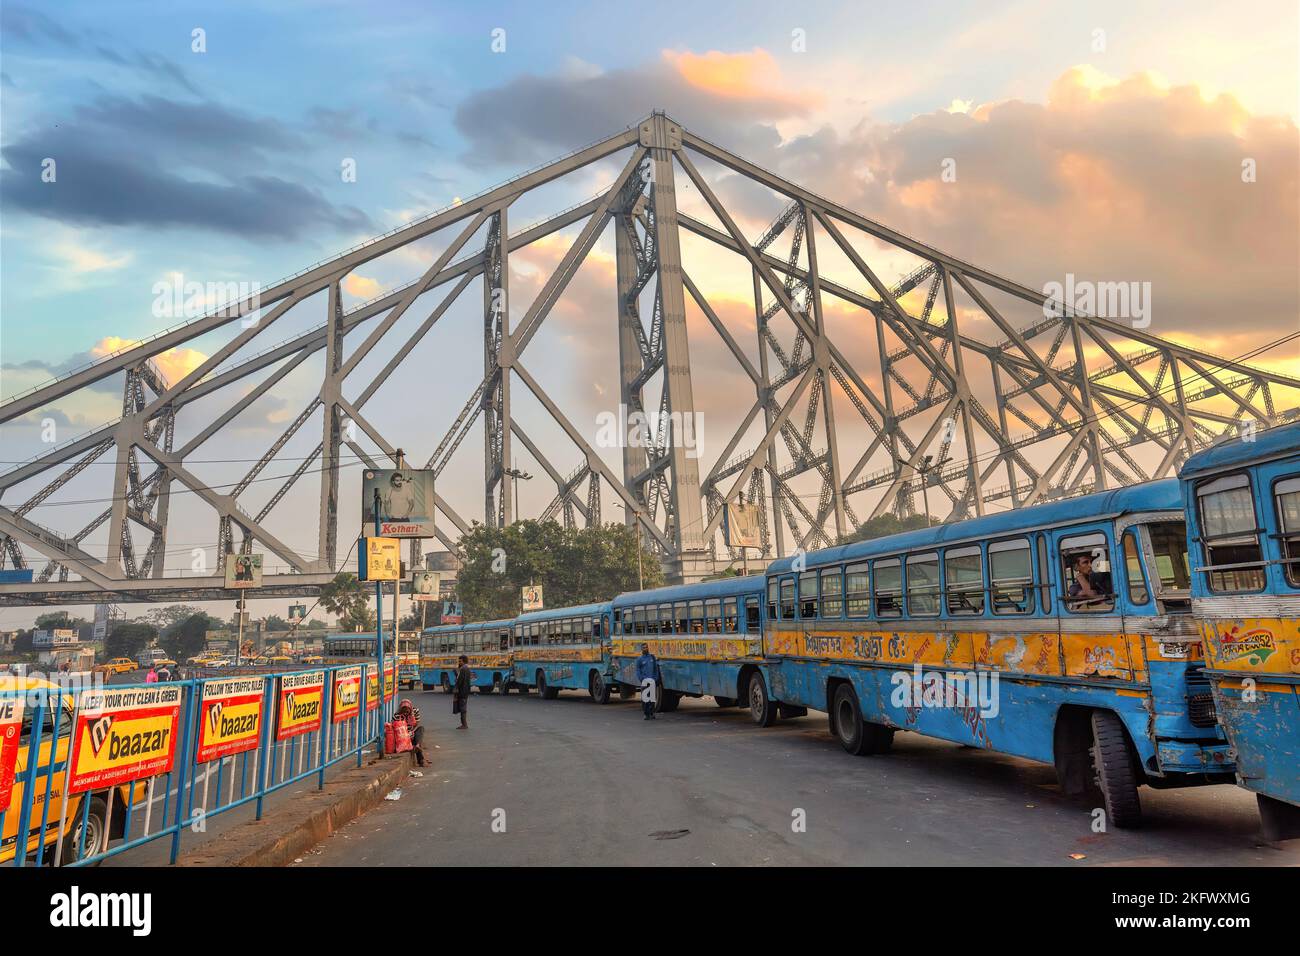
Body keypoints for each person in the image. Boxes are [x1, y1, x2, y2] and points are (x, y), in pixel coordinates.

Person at [395, 698, 426, 766]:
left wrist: (412, 718)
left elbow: (417, 723)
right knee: (415, 742)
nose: (406, 713)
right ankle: (421, 760)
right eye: (404, 711)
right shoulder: (396, 715)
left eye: (407, 711)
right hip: (403, 737)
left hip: (413, 731)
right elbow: (397, 729)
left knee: (421, 729)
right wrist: (406, 734)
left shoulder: (415, 711)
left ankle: (417, 745)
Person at [635, 643, 659, 720]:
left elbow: (656, 669)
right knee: (645, 699)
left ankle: (652, 713)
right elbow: (638, 671)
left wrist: (655, 678)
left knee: (652, 699)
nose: (645, 649)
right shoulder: (639, 659)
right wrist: (642, 679)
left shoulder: (652, 657)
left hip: (652, 681)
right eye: (643, 648)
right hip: (644, 682)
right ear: (641, 649)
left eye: (646, 647)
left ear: (648, 648)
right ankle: (646, 714)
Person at [453, 654, 471, 729]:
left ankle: (464, 724)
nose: (459, 662)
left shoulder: (463, 669)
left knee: (463, 708)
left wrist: (456, 689)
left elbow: (459, 681)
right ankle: (464, 724)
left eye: (460, 661)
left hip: (462, 691)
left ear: (463, 661)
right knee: (463, 707)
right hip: (465, 691)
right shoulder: (466, 668)